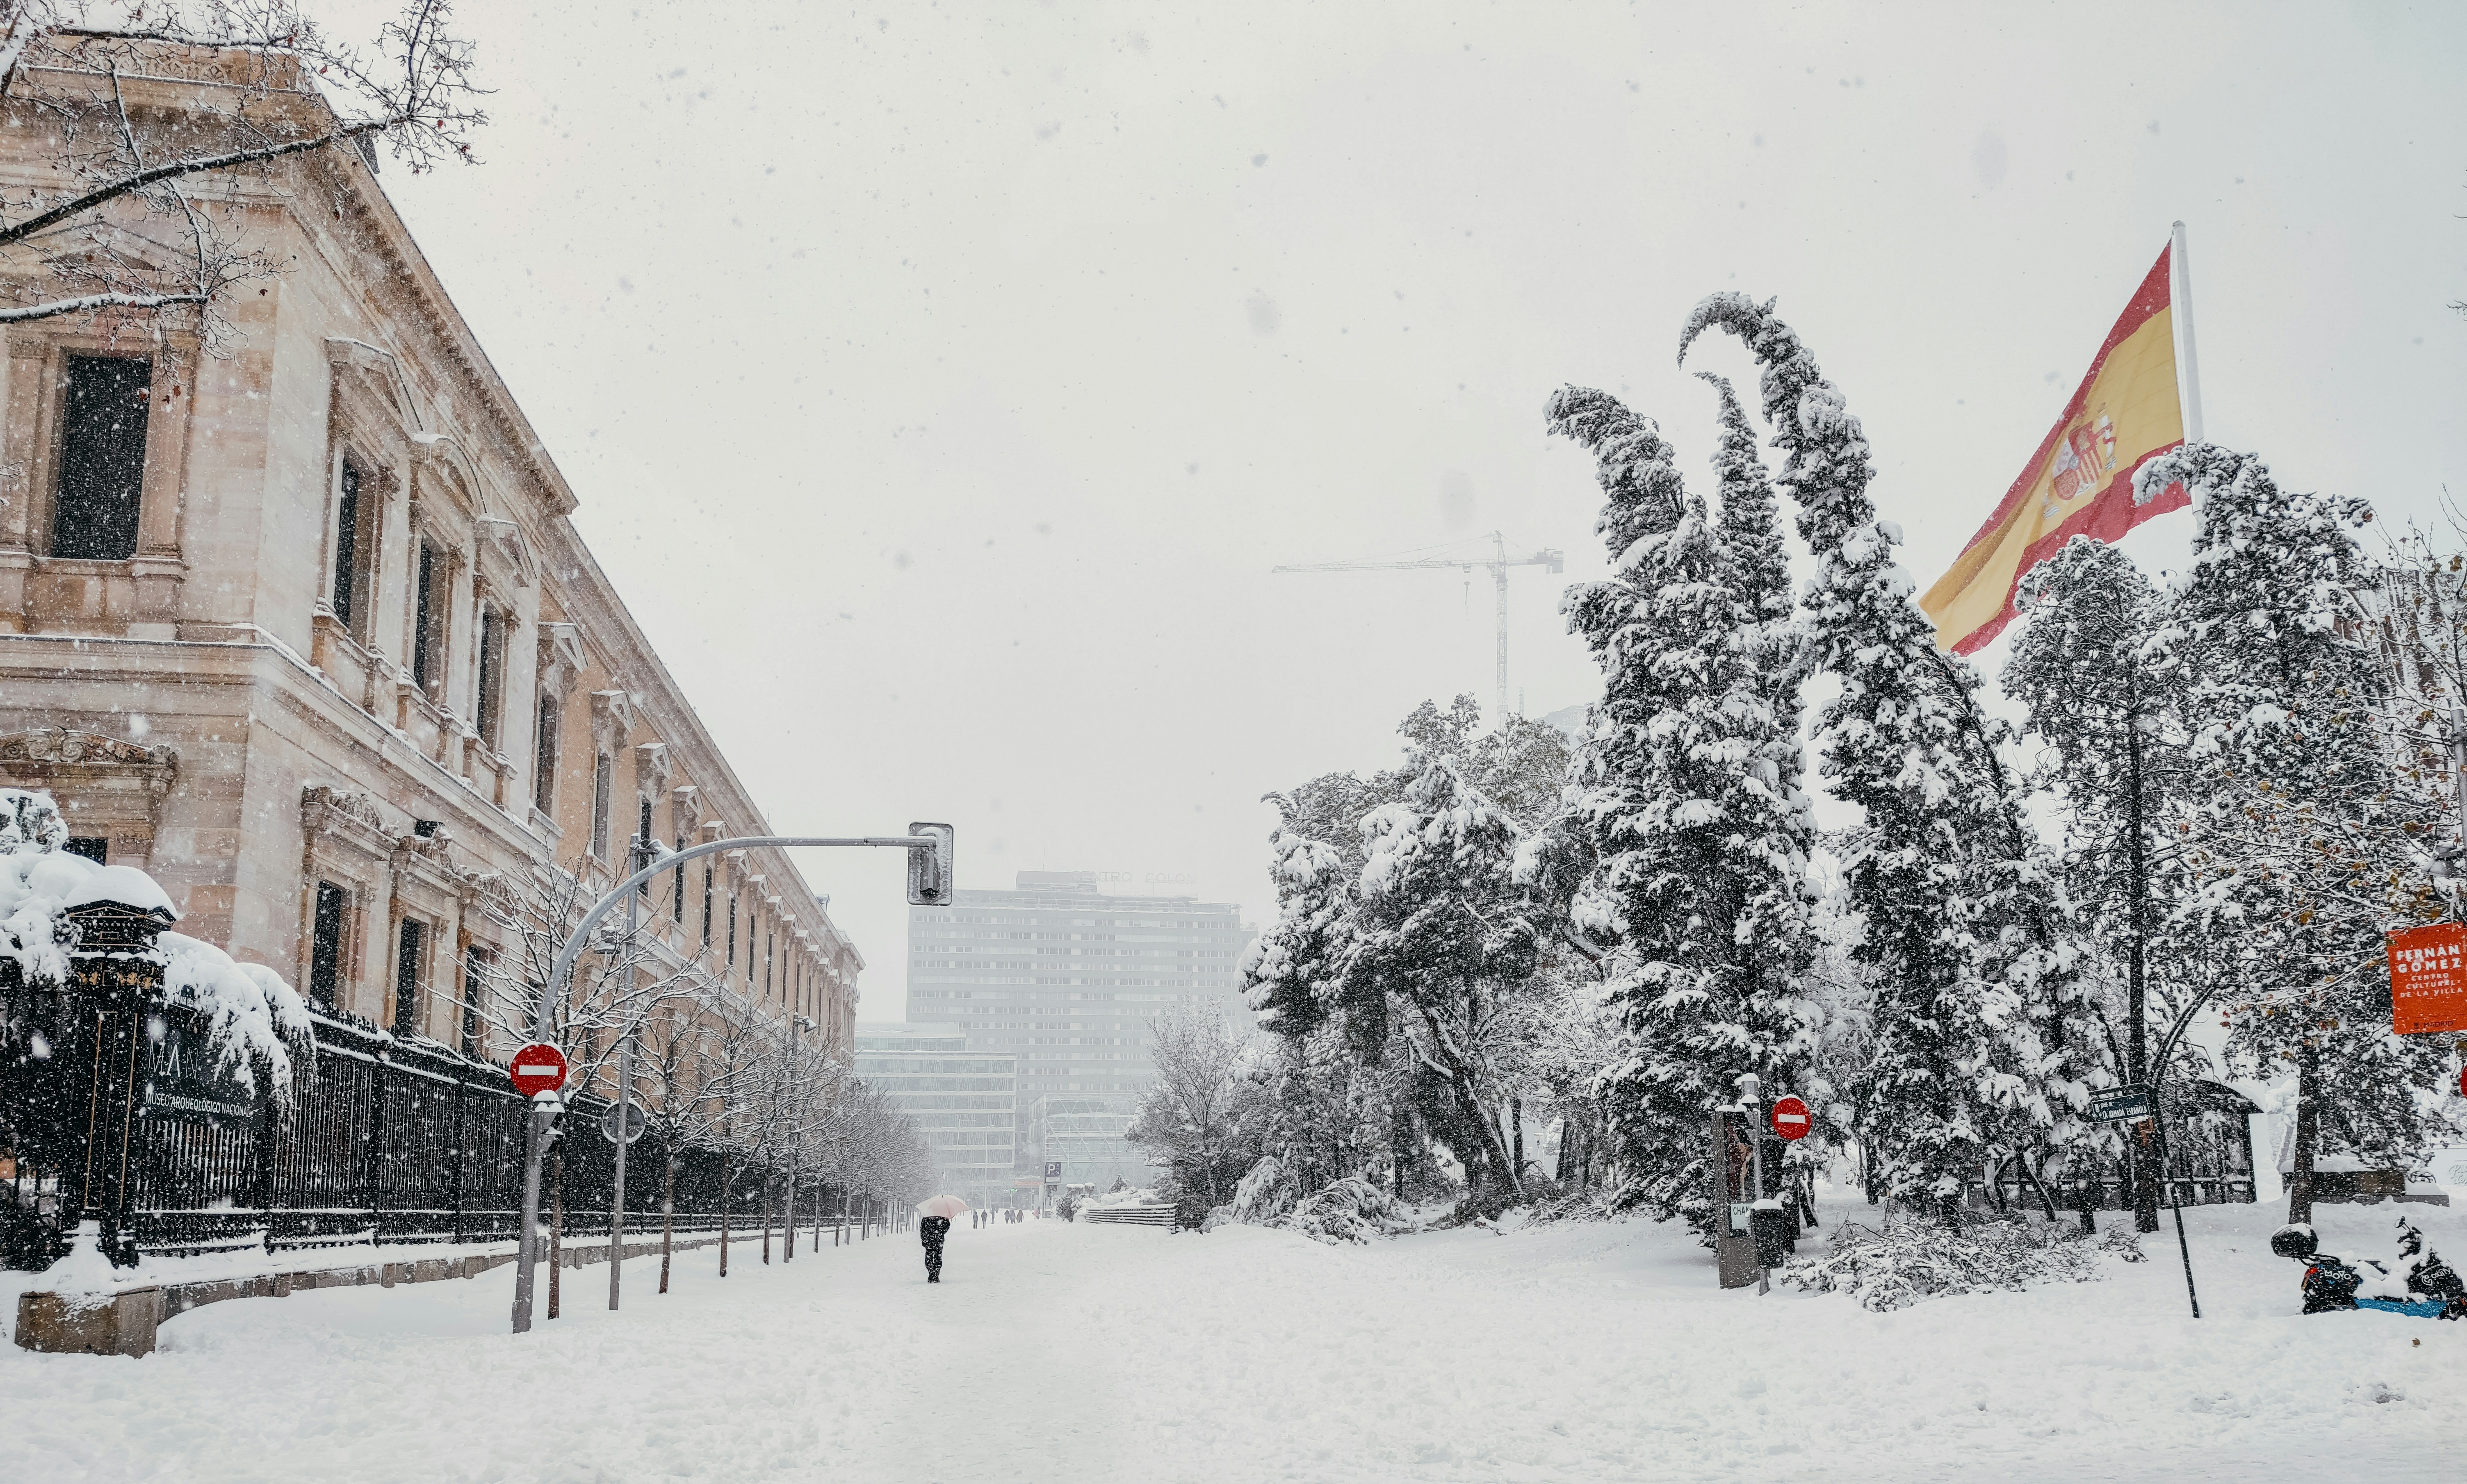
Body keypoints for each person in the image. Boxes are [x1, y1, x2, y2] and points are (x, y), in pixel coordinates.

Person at [920, 1212, 950, 1283]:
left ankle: (935, 1274)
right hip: (930, 1242)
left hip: (938, 1242)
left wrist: (945, 1221)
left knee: (937, 1259)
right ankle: (932, 1273)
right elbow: (923, 1230)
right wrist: (924, 1240)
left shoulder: (942, 1218)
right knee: (929, 1259)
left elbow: (946, 1229)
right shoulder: (926, 1219)